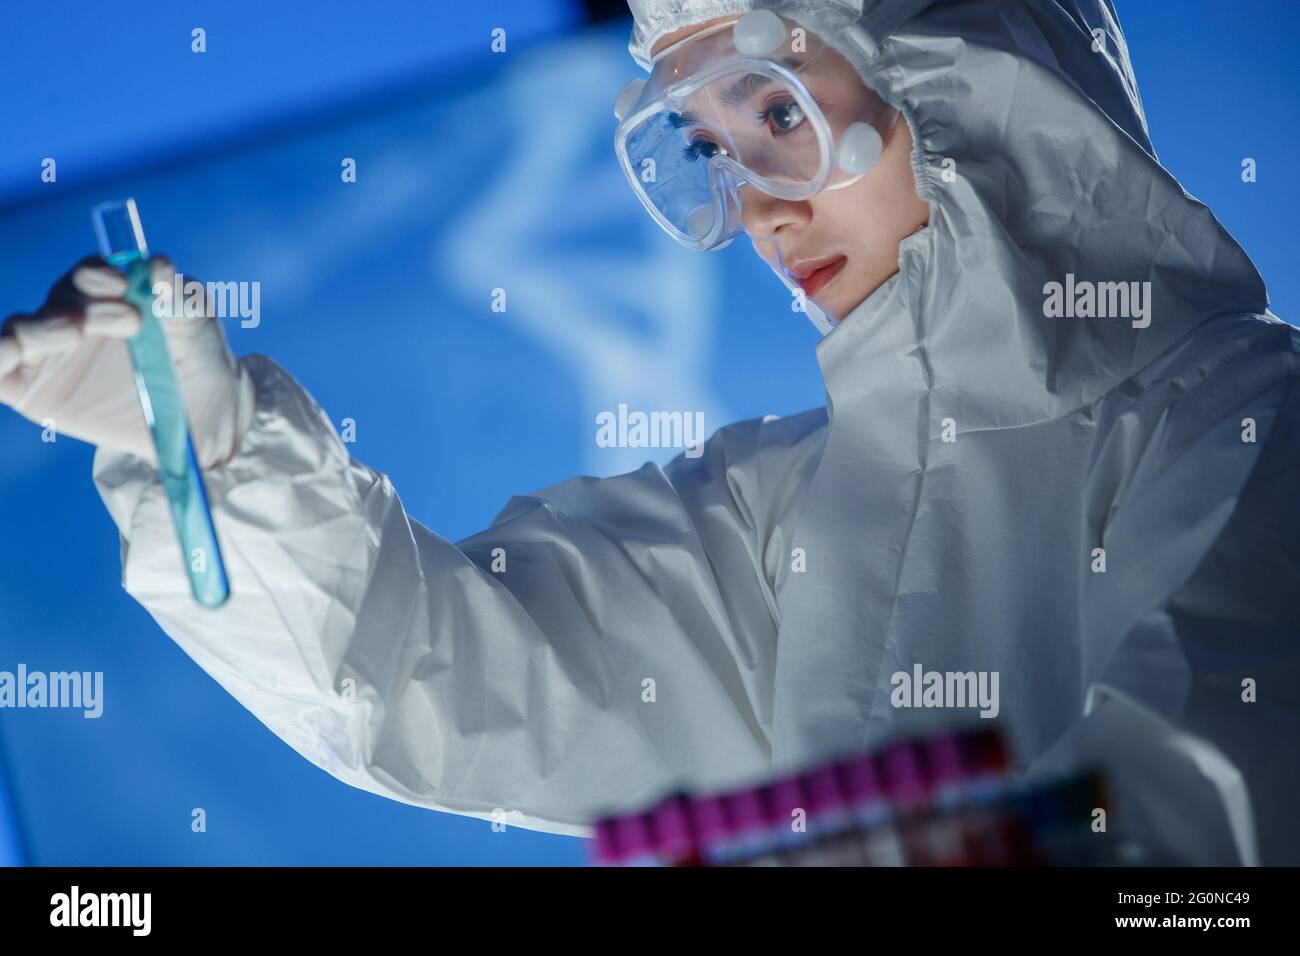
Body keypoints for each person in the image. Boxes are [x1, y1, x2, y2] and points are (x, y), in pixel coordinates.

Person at [1, 0, 1297, 863]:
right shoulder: (801, 511)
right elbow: (435, 676)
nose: (757, 215)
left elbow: (1212, 813)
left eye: (778, 117)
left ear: (973, 85)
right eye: (711, 153)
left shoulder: (1252, 416)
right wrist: (209, 456)